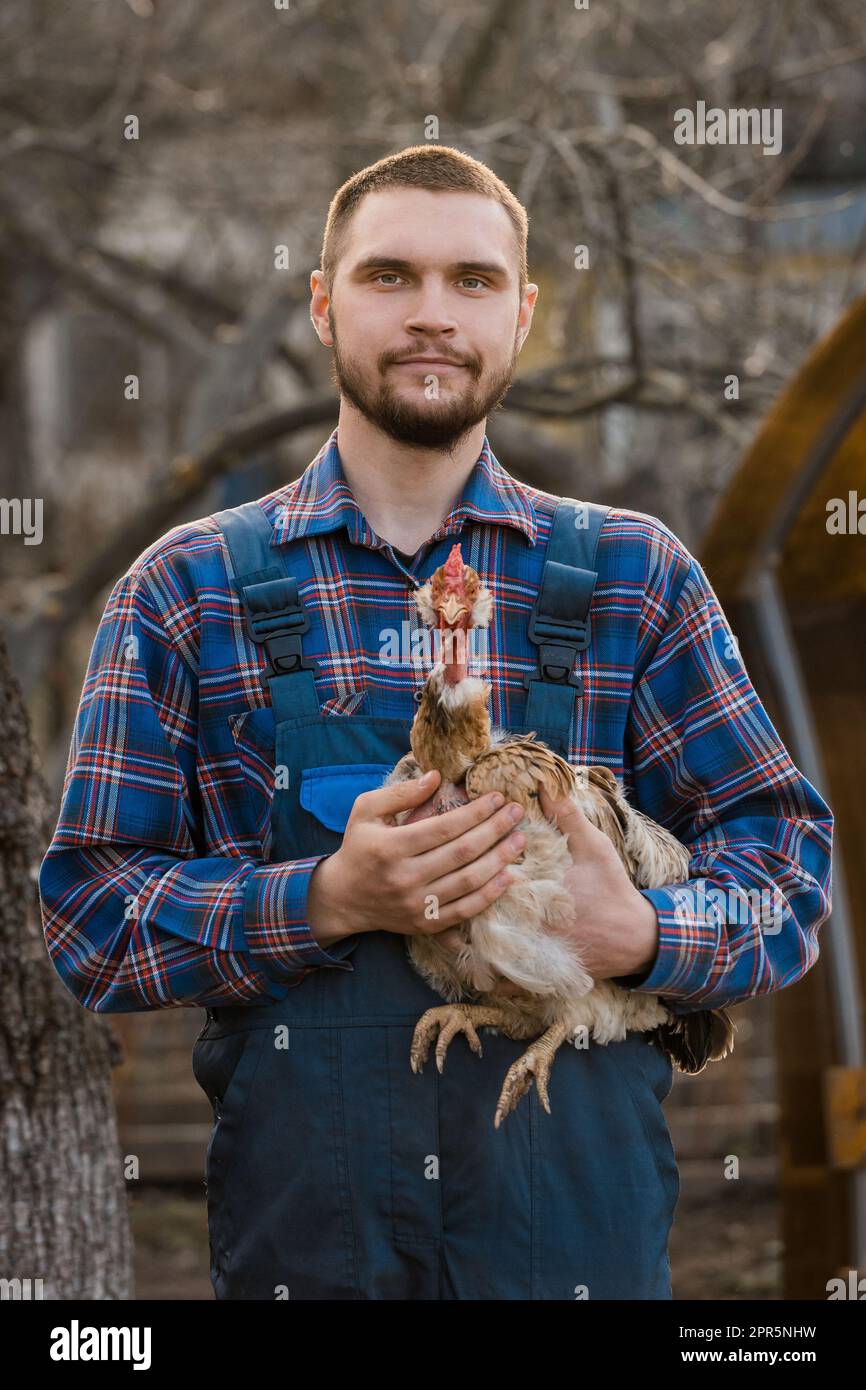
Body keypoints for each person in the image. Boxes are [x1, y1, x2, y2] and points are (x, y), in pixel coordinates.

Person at [39, 144, 833, 1301]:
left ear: (520, 313)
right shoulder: (188, 588)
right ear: (321, 305)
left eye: (469, 281)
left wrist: (646, 933)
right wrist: (320, 898)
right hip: (309, 1246)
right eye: (387, 276)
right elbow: (88, 916)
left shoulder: (630, 576)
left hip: (574, 1243)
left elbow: (789, 869)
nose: (429, 315)